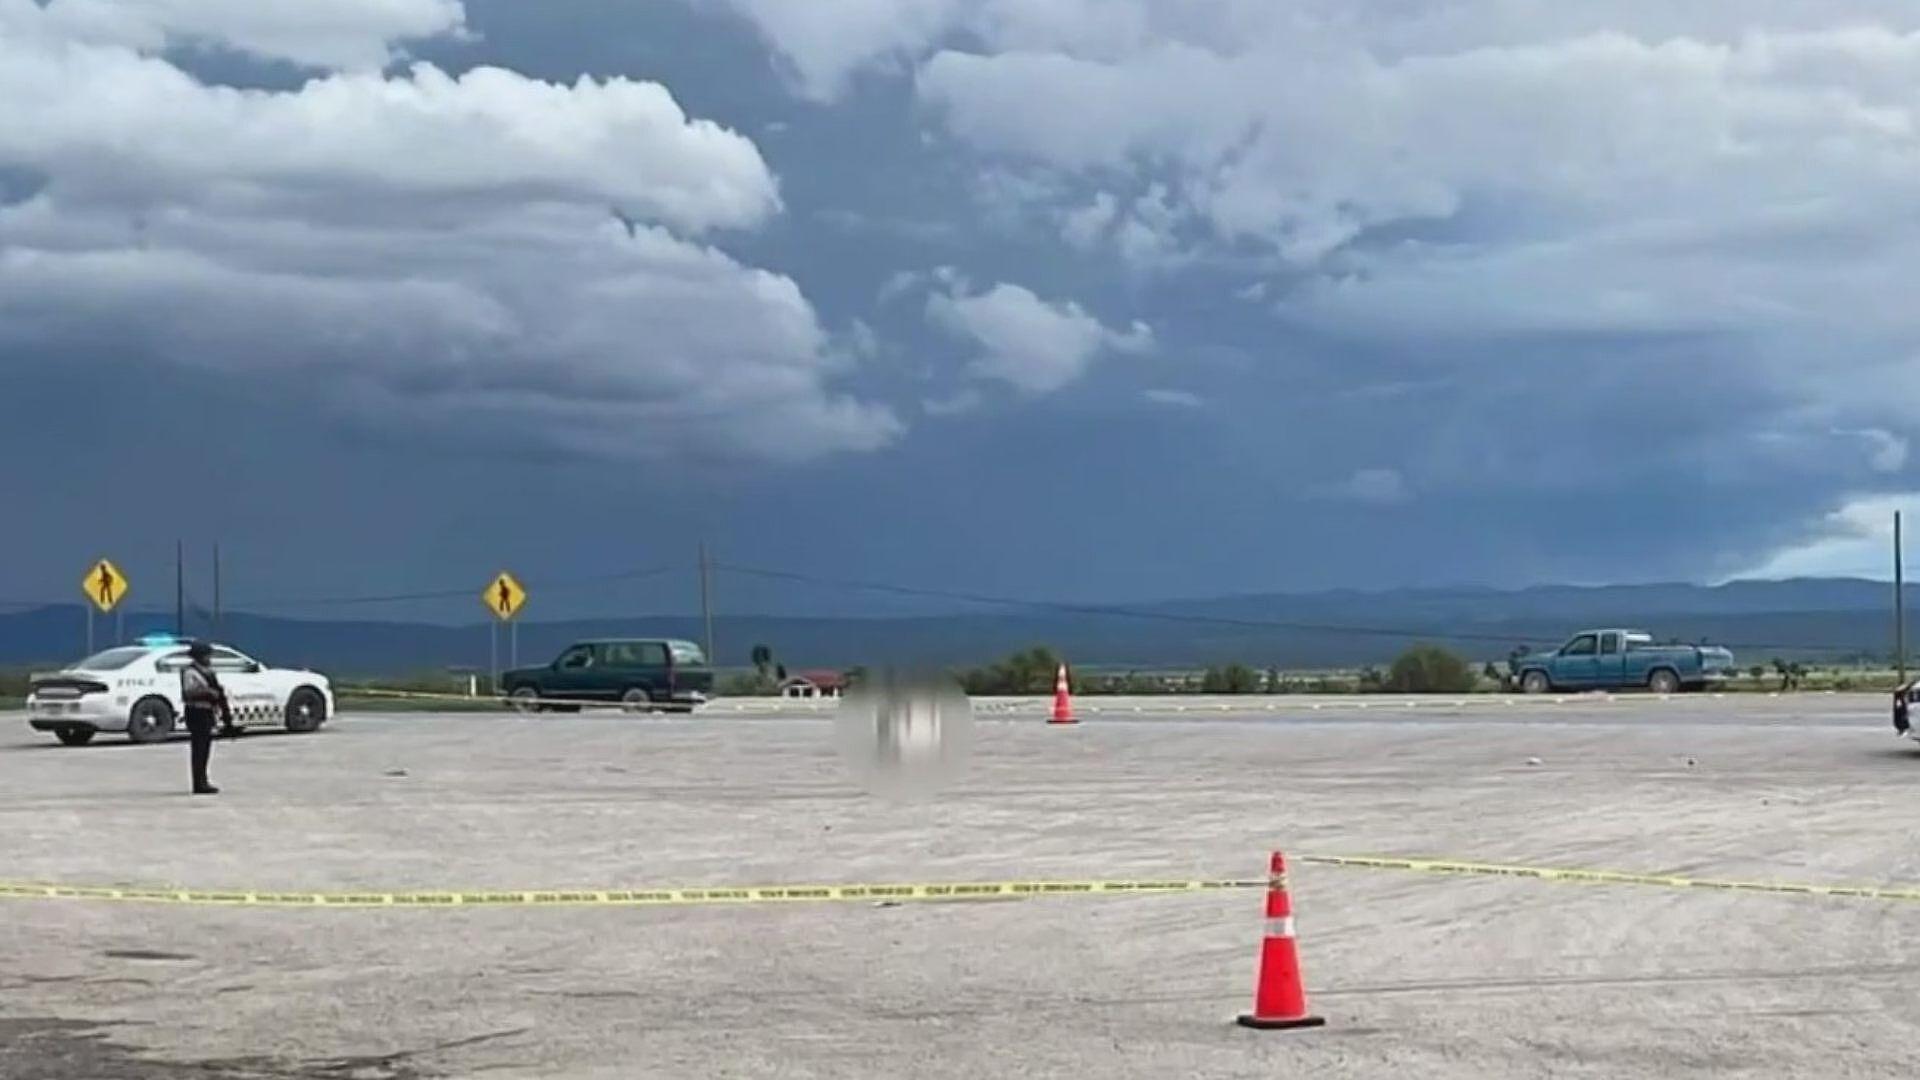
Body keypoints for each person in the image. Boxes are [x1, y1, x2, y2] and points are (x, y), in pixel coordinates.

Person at [179, 640, 231, 795]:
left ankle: (202, 780)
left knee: (205, 749)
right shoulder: (191, 672)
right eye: (207, 655)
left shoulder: (207, 671)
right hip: (197, 712)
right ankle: (199, 783)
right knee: (199, 749)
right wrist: (209, 693)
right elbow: (189, 692)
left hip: (207, 712)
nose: (210, 658)